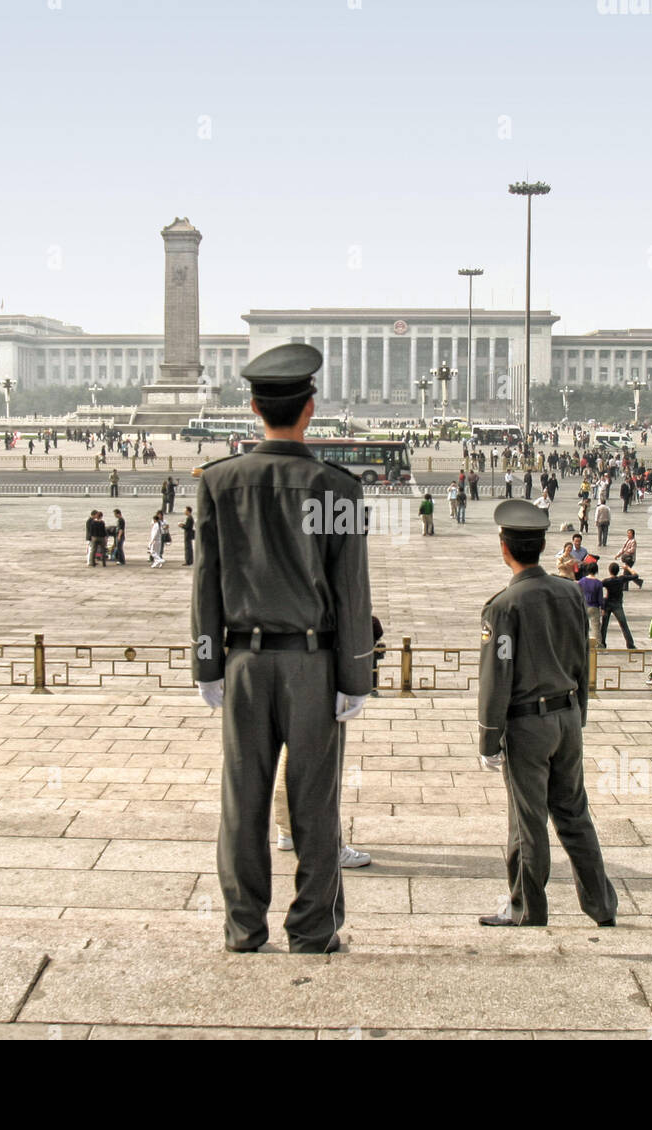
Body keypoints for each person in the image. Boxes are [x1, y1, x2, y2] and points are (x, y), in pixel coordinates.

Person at [191, 343, 374, 954]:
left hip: (242, 662)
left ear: (252, 408)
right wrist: (356, 677)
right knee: (314, 803)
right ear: (310, 409)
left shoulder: (218, 482)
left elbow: (206, 581)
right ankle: (313, 929)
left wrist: (207, 663)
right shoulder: (337, 489)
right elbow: (351, 591)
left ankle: (243, 928)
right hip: (314, 666)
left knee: (243, 797)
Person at [476, 499, 618, 929]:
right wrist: (580, 714)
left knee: (528, 819)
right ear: (539, 546)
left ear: (505, 547)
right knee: (574, 814)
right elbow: (582, 656)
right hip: (567, 716)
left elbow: (496, 677)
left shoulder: (503, 607)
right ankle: (601, 905)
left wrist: (488, 738)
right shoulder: (570, 592)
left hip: (527, 726)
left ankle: (527, 908)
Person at [600, 562, 643, 649]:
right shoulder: (621, 579)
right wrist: (627, 568)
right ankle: (630, 644)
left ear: (609, 571)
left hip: (607, 603)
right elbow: (636, 575)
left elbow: (597, 586)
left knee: (604, 626)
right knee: (624, 625)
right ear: (618, 571)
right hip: (617, 604)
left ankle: (602, 643)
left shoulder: (606, 581)